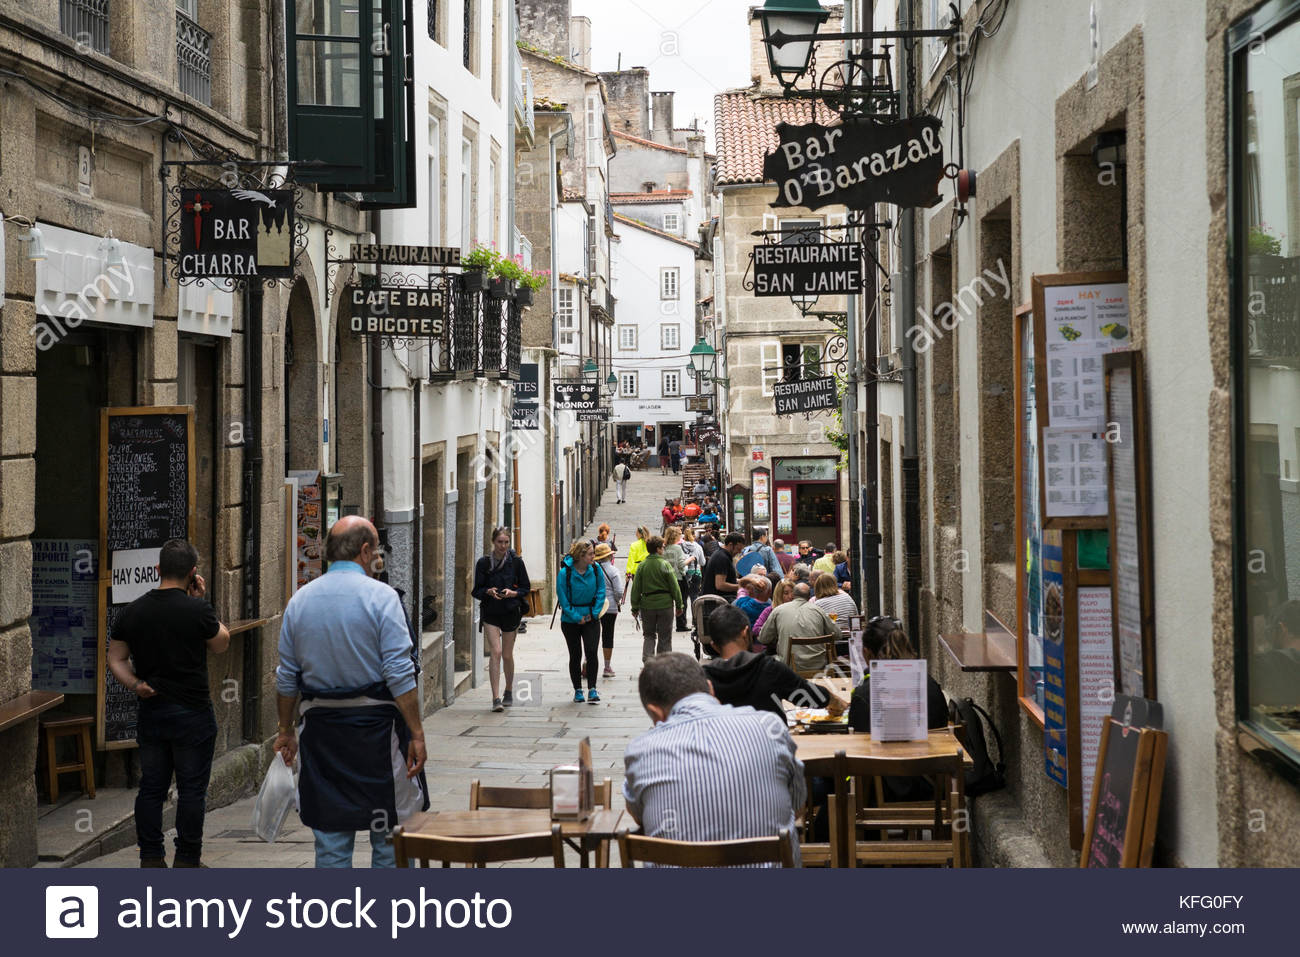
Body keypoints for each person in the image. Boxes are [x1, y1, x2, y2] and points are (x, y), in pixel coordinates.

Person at [274, 516, 427, 869]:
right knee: (389, 835)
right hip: (376, 734)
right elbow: (399, 672)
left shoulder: (300, 601)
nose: (378, 558)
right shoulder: (383, 598)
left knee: (331, 841)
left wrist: (285, 730)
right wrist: (416, 733)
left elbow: (287, 678)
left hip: (322, 734)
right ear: (365, 550)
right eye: (377, 551)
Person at [107, 539, 230, 868]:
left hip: (153, 710)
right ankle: (187, 858)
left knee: (151, 788)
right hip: (193, 713)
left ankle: (151, 857)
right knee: (192, 790)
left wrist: (136, 684)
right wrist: (202, 603)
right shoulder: (197, 610)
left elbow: (115, 658)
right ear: (193, 573)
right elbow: (221, 643)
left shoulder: (132, 611)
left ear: (157, 569)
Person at [622, 654, 806, 864]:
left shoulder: (640, 751)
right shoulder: (769, 726)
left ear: (655, 713)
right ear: (710, 689)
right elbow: (798, 805)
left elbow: (638, 815)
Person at [704, 605, 846, 719]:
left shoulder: (704, 680)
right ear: (746, 633)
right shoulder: (769, 669)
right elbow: (809, 694)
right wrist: (834, 701)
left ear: (714, 646)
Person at [846, 617, 949, 732]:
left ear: (867, 653)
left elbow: (857, 740)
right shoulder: (931, 686)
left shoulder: (863, 695)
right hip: (934, 750)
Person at [472, 527, 530, 712]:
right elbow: (476, 590)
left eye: (506, 542)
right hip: (491, 612)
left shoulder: (516, 563)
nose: (503, 546)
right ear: (493, 542)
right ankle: (495, 698)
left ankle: (509, 690)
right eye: (500, 542)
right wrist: (488, 592)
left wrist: (513, 593)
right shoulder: (483, 563)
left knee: (506, 654)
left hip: (511, 611)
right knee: (495, 652)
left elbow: (525, 587)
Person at [558, 540, 606, 703]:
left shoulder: (595, 569)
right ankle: (578, 689)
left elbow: (601, 590)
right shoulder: (565, 573)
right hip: (570, 620)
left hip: (591, 616)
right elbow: (563, 598)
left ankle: (592, 688)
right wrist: (577, 617)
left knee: (592, 651)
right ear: (581, 555)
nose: (594, 556)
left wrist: (594, 612)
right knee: (575, 653)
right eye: (591, 554)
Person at [759, 581, 841, 674]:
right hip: (819, 666)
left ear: (793, 595)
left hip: (789, 667)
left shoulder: (778, 610)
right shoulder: (818, 611)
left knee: (768, 660)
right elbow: (837, 634)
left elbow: (763, 639)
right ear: (809, 596)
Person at [629, 535, 683, 662]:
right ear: (658, 549)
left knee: (648, 635)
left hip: (647, 605)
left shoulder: (642, 566)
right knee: (665, 636)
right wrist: (680, 604)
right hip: (665, 605)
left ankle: (648, 661)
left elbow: (636, 588)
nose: (663, 549)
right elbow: (674, 587)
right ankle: (663, 662)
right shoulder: (665, 564)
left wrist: (634, 607)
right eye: (662, 547)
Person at [594, 543, 625, 678]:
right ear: (609, 556)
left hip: (593, 606)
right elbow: (618, 591)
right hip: (610, 607)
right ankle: (607, 667)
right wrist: (618, 600)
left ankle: (587, 662)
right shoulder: (613, 571)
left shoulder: (592, 570)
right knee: (608, 636)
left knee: (591, 637)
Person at [662, 526, 691, 632]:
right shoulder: (677, 548)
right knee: (682, 601)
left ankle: (665, 624)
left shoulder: (664, 548)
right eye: (679, 534)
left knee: (668, 602)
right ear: (675, 536)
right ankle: (681, 624)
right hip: (678, 578)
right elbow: (681, 564)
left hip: (666, 578)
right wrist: (690, 559)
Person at [702, 531, 746, 600]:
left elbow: (727, 578)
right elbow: (720, 585)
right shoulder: (722, 558)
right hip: (717, 603)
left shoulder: (722, 555)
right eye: (738, 549)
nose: (739, 552)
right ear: (730, 545)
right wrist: (741, 587)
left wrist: (742, 581)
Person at [753, 578, 794, 647]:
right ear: (779, 595)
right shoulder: (769, 610)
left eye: (792, 592)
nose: (790, 596)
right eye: (786, 593)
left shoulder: (799, 610)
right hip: (773, 648)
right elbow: (755, 629)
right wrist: (771, 630)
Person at [680, 526, 706, 626]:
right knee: (694, 597)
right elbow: (703, 562)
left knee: (683, 598)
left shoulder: (680, 546)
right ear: (694, 535)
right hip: (696, 573)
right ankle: (695, 622)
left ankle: (682, 622)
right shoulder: (698, 547)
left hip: (684, 574)